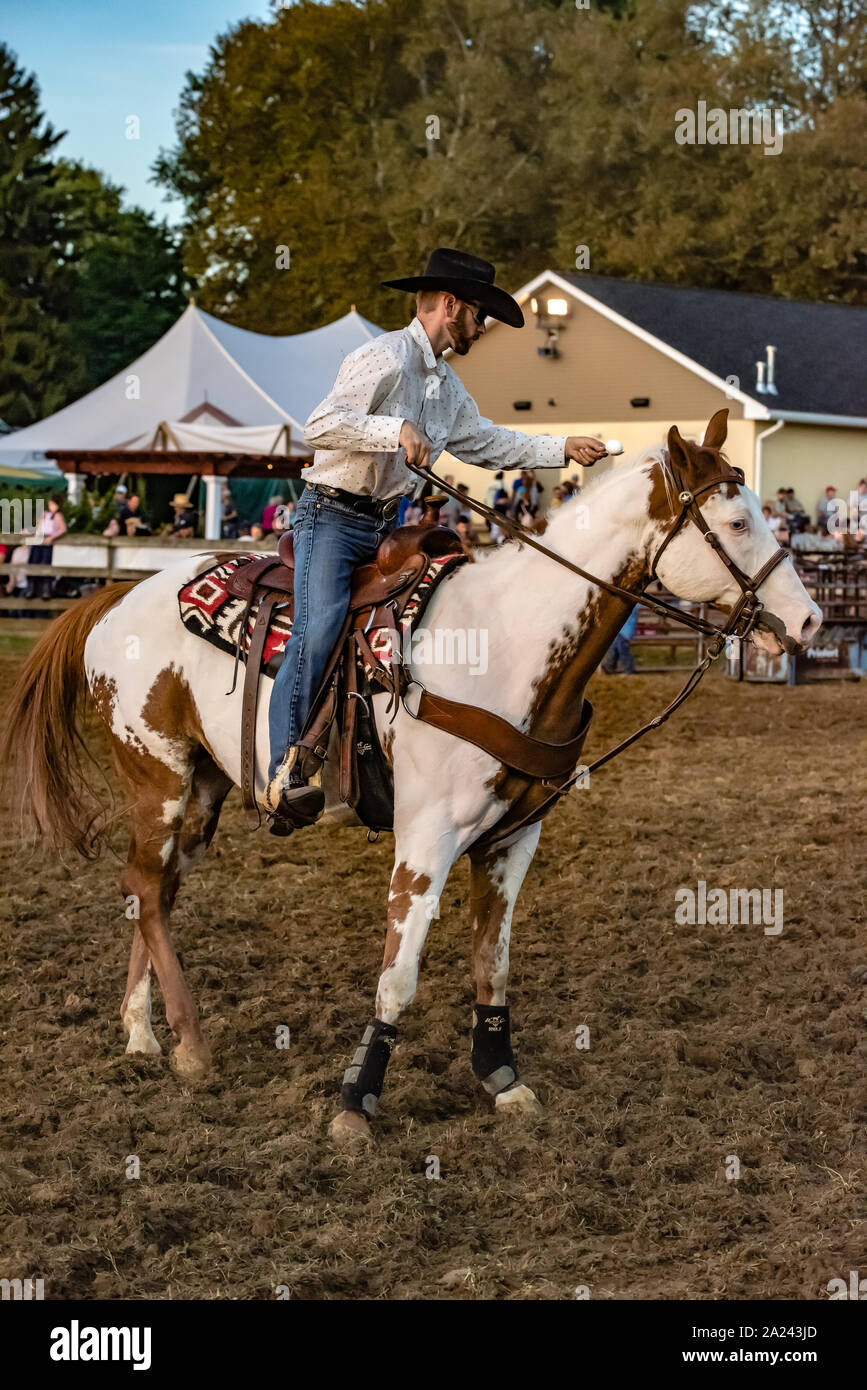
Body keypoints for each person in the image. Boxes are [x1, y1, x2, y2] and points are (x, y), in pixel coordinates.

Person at [264, 245, 607, 825]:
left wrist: (560, 448)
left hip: (385, 523)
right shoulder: (385, 356)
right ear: (451, 305)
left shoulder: (447, 386)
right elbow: (320, 423)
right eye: (479, 312)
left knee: (433, 617)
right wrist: (393, 427)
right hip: (332, 517)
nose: (484, 324)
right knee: (319, 624)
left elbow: (487, 442)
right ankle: (284, 769)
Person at [601, 607, 639, 674]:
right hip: (621, 631)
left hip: (625, 632)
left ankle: (628, 670)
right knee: (614, 648)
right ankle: (609, 666)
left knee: (623, 651)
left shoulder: (631, 607)